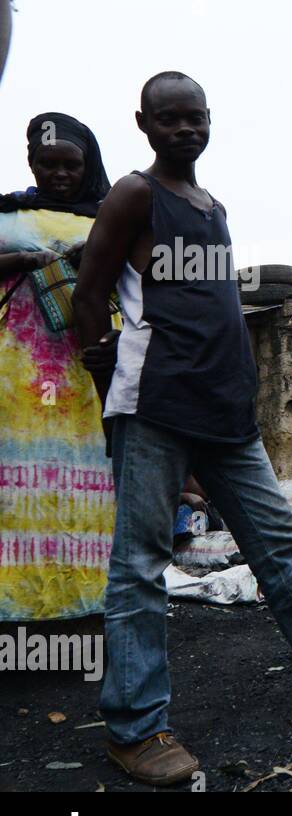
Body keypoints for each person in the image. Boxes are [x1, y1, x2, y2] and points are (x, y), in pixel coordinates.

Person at [71, 72, 292, 787]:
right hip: (155, 406)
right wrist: (109, 384)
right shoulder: (135, 195)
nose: (184, 130)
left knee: (279, 543)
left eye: (194, 118)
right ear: (144, 124)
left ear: (209, 120)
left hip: (226, 413)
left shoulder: (213, 206)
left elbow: (215, 307)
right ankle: (134, 729)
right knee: (140, 566)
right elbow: (89, 295)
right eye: (168, 120)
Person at [0, 112, 119, 622]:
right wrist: (18, 261)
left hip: (87, 369)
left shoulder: (109, 217)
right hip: (15, 376)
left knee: (83, 474)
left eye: (72, 165)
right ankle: (17, 602)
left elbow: (135, 285)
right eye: (48, 164)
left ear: (87, 164)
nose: (60, 175)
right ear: (31, 162)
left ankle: (85, 601)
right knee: (15, 479)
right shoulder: (8, 215)